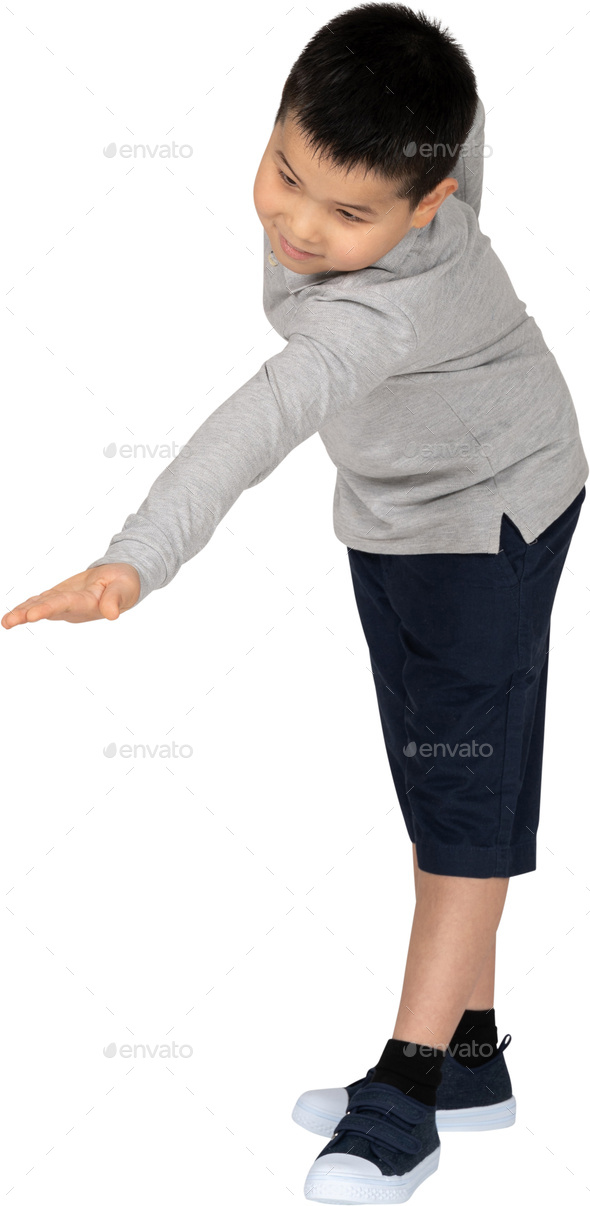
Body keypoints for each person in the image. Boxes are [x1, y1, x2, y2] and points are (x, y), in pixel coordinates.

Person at [2, 3, 587, 1201]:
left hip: (490, 511)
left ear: (429, 206)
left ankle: (408, 1093)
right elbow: (449, 106)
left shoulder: (378, 306)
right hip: (396, 512)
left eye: (349, 213)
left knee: (461, 790)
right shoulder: (414, 147)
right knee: (435, 770)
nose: (301, 226)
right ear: (276, 124)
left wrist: (140, 554)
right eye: (286, 174)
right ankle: (470, 1060)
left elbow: (259, 420)